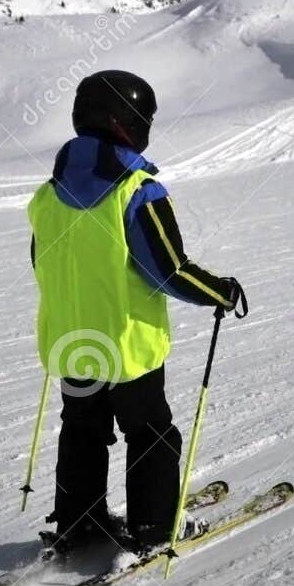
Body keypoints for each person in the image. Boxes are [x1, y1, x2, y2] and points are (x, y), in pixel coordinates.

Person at [28, 70, 245, 554]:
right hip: (127, 347)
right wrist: (220, 292)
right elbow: (168, 270)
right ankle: (155, 528)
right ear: (125, 122)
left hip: (70, 343)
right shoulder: (136, 190)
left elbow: (40, 263)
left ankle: (78, 523)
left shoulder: (48, 194)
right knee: (149, 432)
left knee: (83, 430)